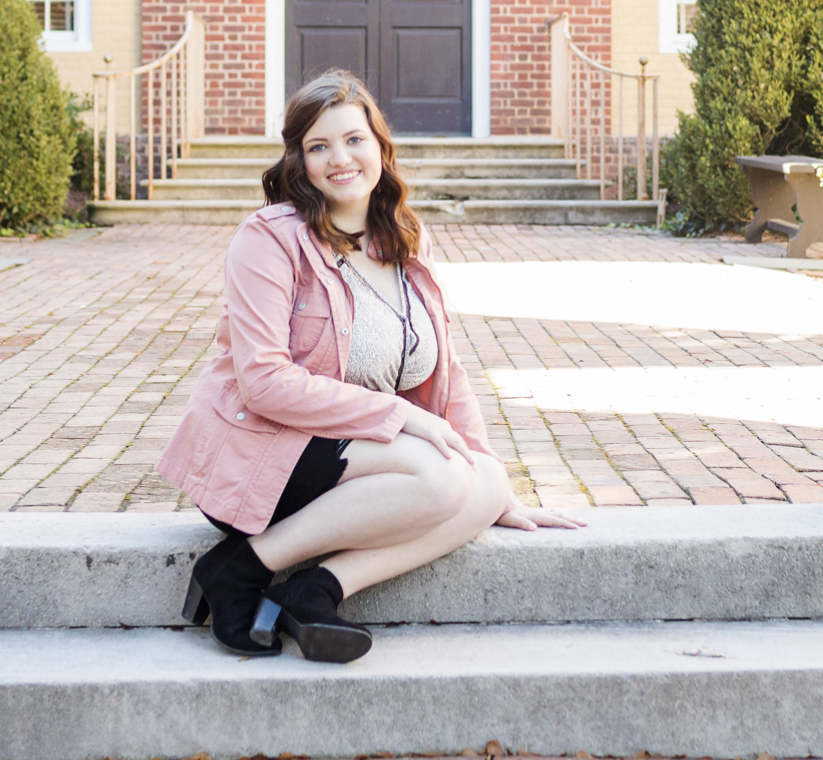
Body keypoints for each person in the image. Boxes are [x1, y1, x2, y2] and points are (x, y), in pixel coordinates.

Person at [154, 70, 585, 664]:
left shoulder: (404, 236)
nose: (340, 159)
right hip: (266, 450)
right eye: (318, 146)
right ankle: (238, 567)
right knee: (439, 477)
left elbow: (446, 369)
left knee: (480, 480)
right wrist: (403, 418)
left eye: (354, 140)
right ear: (298, 160)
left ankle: (316, 590)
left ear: (380, 146)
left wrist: (495, 487)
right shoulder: (271, 238)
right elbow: (264, 383)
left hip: (354, 447)